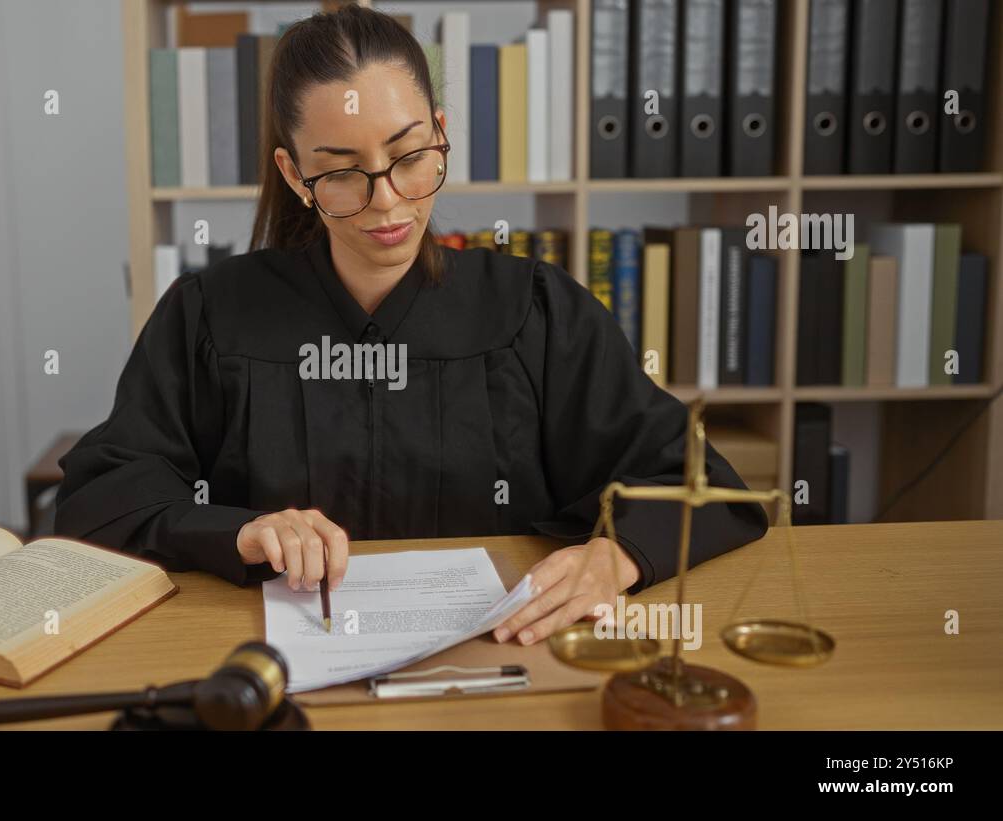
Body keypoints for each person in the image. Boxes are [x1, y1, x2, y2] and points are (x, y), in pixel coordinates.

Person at [55, 5, 767, 647]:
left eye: (409, 156)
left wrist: (619, 555)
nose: (387, 202)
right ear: (295, 173)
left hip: (506, 665)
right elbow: (98, 499)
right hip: (276, 671)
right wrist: (238, 531)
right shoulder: (212, 314)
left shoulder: (535, 310)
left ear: (441, 135)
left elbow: (702, 482)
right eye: (341, 172)